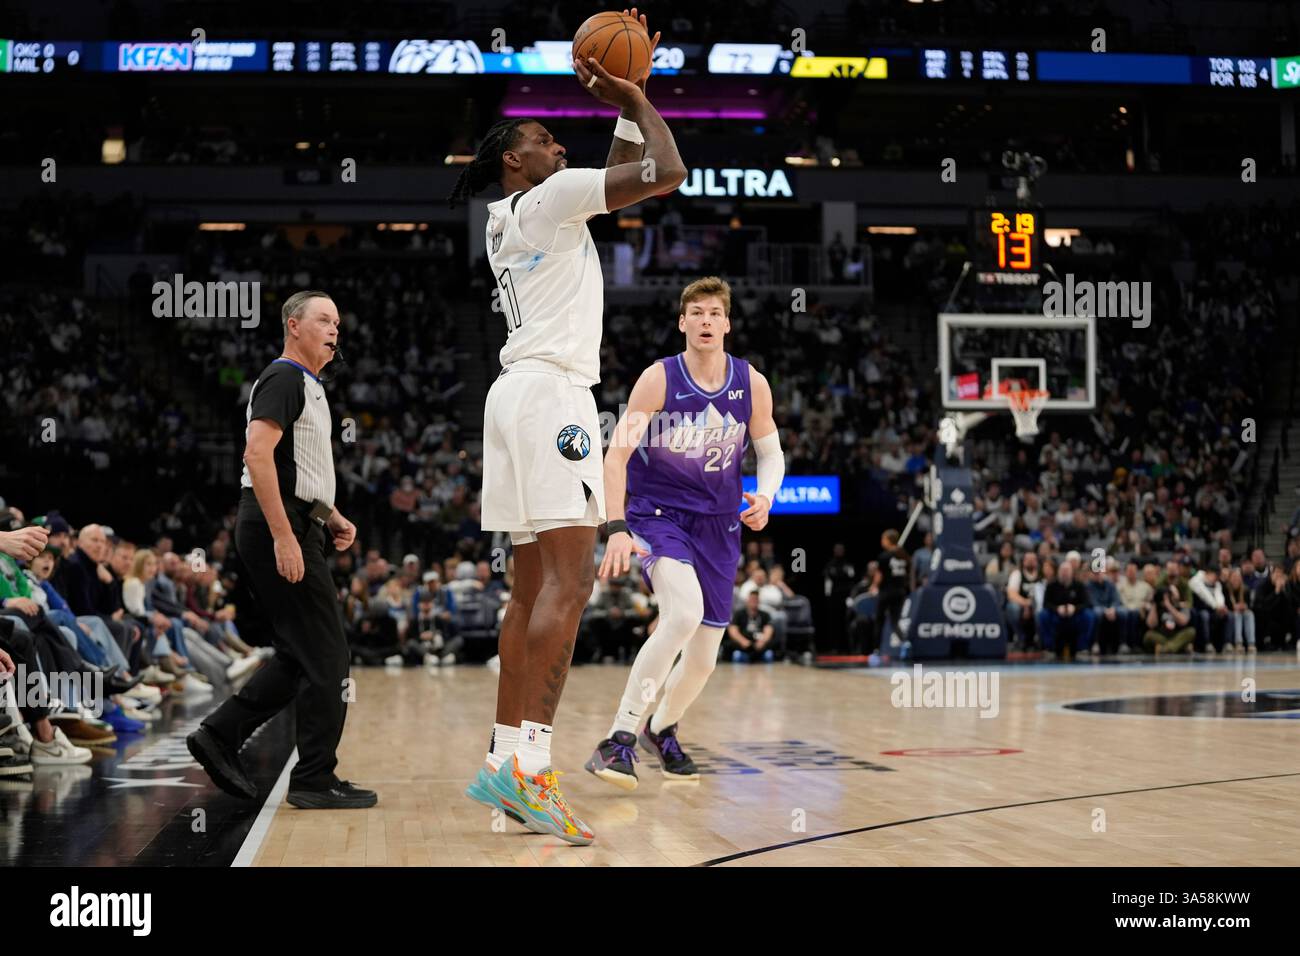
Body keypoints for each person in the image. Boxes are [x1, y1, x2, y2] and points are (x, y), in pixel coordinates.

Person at [451, 9, 686, 846]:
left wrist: (633, 99)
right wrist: (636, 93)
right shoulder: (546, 197)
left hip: (511, 395)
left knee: (527, 592)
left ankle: (507, 760)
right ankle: (533, 770)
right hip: (553, 400)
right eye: (547, 140)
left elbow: (619, 169)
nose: (560, 148)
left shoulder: (513, 218)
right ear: (517, 162)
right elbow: (666, 171)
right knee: (572, 582)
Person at [582, 276, 783, 790]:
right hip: (658, 516)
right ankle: (618, 739)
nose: (706, 321)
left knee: (704, 657)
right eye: (696, 313)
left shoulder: (751, 382)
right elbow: (617, 455)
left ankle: (662, 727)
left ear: (728, 324)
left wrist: (766, 496)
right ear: (683, 323)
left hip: (719, 525)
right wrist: (618, 526)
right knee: (684, 612)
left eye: (715, 312)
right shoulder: (658, 379)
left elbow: (771, 452)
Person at [188, 291, 376, 810]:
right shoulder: (284, 377)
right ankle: (315, 778)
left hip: (298, 521)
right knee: (329, 657)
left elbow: (298, 467)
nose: (334, 329)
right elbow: (257, 454)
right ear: (294, 325)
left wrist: (329, 514)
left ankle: (219, 734)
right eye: (323, 319)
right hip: (276, 525)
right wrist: (284, 535)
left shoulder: (310, 384)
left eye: (338, 321)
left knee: (301, 653)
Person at [726, 591, 779, 662]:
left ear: (759, 601)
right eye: (752, 599)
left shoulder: (765, 615)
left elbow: (768, 631)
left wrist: (762, 642)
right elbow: (733, 631)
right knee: (736, 654)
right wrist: (743, 641)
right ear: (747, 600)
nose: (754, 601)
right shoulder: (739, 614)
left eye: (756, 599)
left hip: (760, 645)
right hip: (743, 645)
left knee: (769, 654)